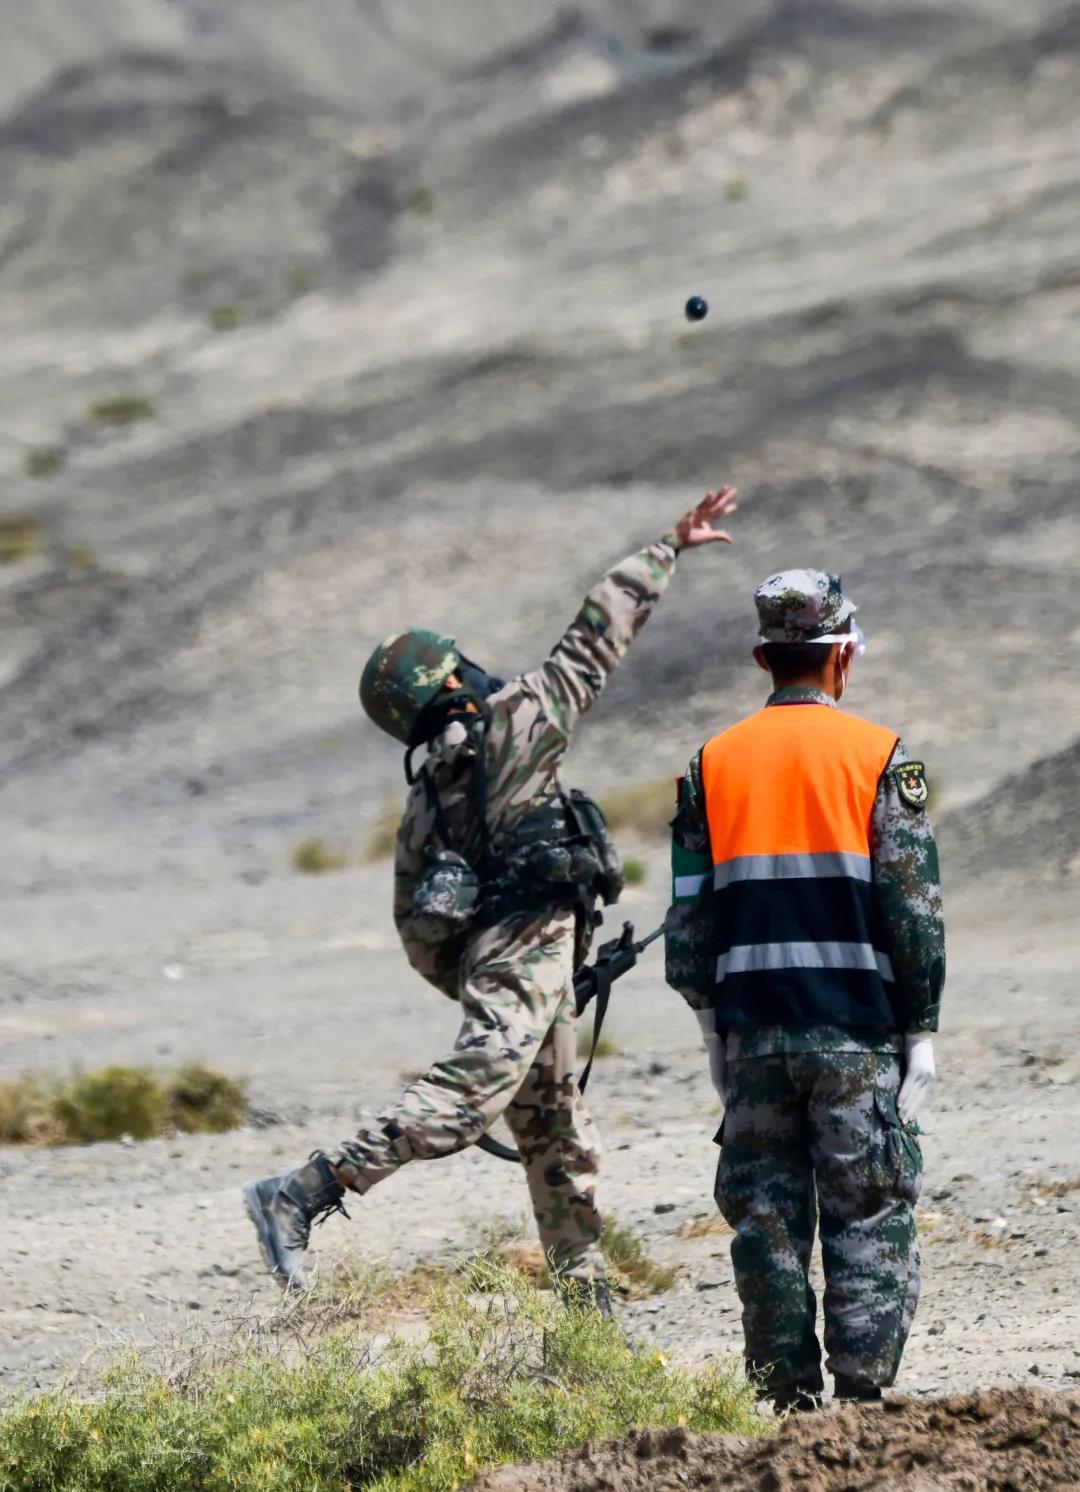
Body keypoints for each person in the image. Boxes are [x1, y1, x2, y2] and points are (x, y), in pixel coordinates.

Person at [243, 487, 739, 1302]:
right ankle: (303, 1190)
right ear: (453, 676)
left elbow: (418, 933)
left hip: (521, 959)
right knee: (471, 1097)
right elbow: (594, 637)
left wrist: (485, 973)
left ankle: (586, 1302)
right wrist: (667, 549)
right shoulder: (519, 720)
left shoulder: (424, 805)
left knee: (555, 1131)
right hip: (527, 955)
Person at [665, 569, 945, 1409]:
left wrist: (713, 1028)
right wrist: (922, 1028)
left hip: (753, 1038)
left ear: (763, 656)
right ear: (842, 658)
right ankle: (863, 1407)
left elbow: (688, 919)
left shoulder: (710, 765)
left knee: (767, 1225)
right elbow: (915, 912)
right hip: (857, 1034)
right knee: (868, 1210)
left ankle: (788, 1406)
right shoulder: (879, 757)